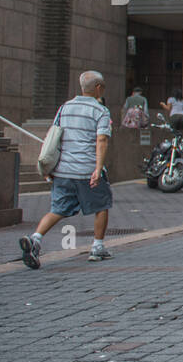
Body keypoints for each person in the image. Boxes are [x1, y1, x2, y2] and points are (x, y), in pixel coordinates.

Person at [19, 70, 115, 268]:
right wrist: (98, 168)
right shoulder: (100, 111)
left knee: (58, 209)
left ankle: (36, 239)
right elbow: (102, 140)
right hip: (86, 169)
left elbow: (54, 136)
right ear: (98, 88)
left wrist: (49, 167)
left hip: (63, 170)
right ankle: (97, 247)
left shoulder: (65, 108)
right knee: (101, 205)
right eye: (103, 86)